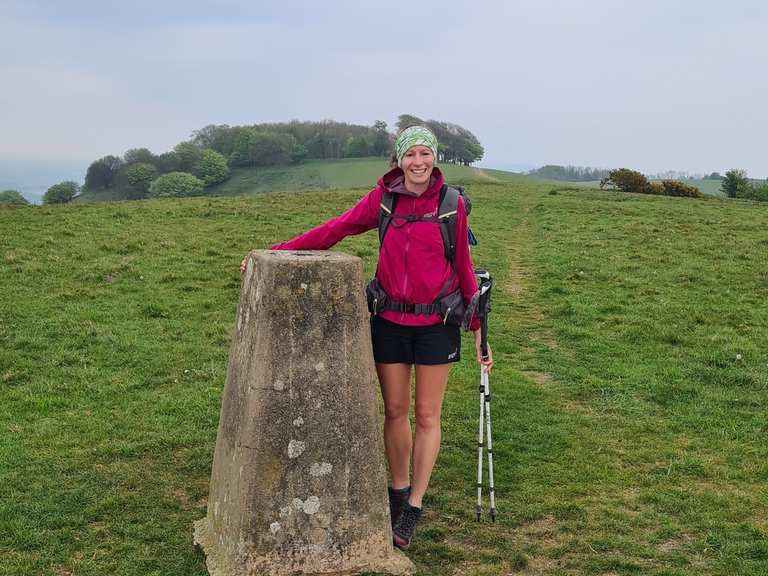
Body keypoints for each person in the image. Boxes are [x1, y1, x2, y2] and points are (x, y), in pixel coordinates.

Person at [240, 125, 493, 550]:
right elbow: (335, 229)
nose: (418, 162)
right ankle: (397, 492)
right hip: (390, 322)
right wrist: (278, 250)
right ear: (398, 160)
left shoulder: (451, 204)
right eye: (409, 155)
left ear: (435, 158)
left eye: (424, 154)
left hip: (438, 326)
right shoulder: (383, 200)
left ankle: (413, 506)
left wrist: (478, 333)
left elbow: (464, 269)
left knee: (427, 415)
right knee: (394, 411)